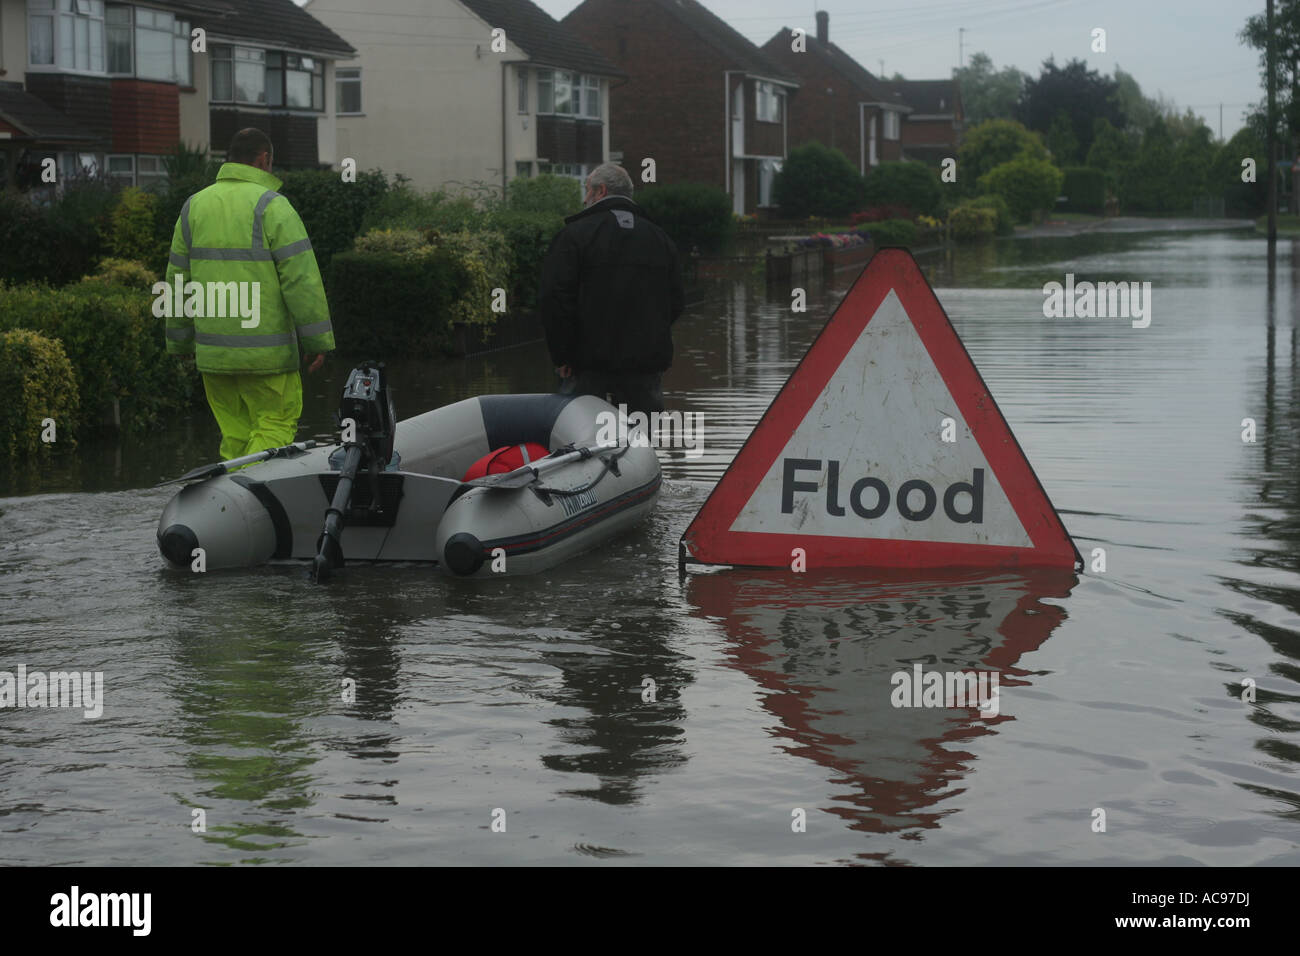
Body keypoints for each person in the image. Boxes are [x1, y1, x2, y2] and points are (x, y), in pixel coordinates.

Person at [163, 128, 334, 461]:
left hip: (214, 355)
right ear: (264, 159)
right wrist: (317, 341)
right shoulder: (274, 207)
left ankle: (229, 500)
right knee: (274, 425)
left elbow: (177, 280)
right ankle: (247, 496)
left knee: (235, 437)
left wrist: (180, 341)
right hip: (267, 357)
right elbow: (301, 280)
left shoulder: (193, 207)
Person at [539, 163, 684, 418]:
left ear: (600, 191)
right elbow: (677, 302)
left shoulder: (573, 237)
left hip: (586, 368)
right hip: (644, 367)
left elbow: (555, 299)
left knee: (582, 443)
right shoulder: (660, 239)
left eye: (587, 191)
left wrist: (563, 355)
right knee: (639, 446)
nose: (584, 199)